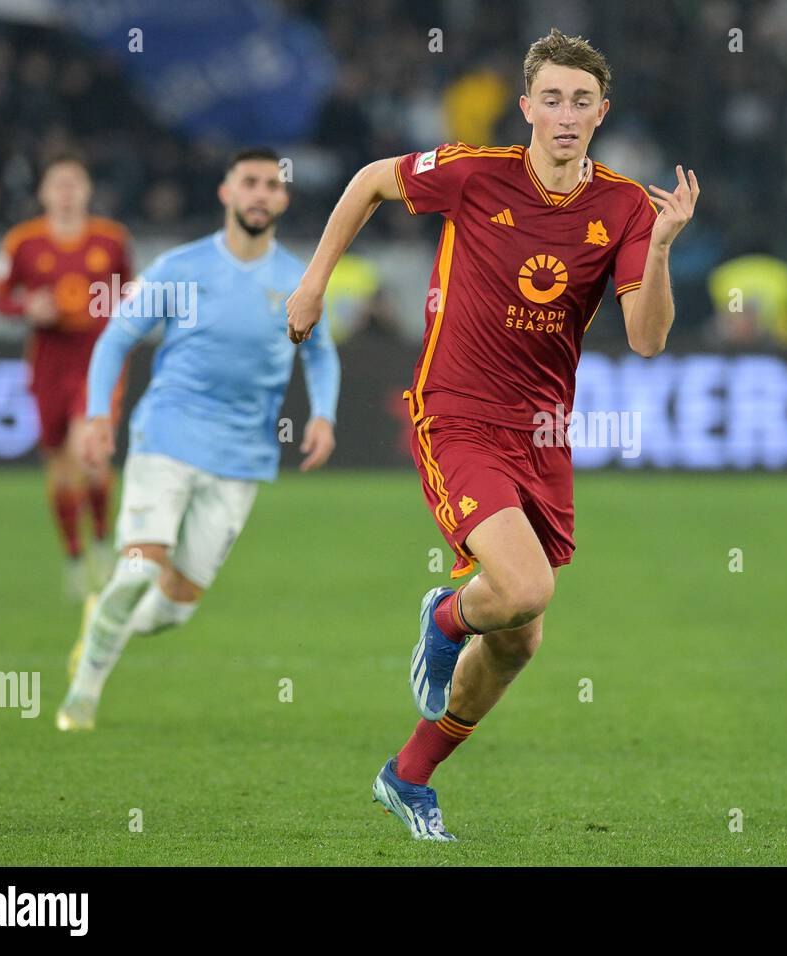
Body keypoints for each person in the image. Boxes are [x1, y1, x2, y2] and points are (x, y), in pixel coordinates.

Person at [286, 28, 699, 840]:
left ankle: (408, 775)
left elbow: (647, 337)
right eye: (552, 98)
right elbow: (371, 181)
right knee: (523, 590)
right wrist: (312, 282)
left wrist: (665, 248)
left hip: (542, 436)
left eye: (582, 101)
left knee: (519, 639)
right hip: (456, 413)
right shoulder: (476, 174)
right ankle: (444, 617)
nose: (566, 113)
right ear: (527, 107)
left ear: (601, 112)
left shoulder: (621, 206)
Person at [55, 148, 341, 731]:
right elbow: (115, 339)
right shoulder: (179, 267)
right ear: (226, 193)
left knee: (173, 612)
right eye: (250, 183)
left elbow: (321, 353)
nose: (261, 193)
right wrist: (95, 416)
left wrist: (323, 416)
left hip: (241, 459)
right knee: (137, 570)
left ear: (283, 199)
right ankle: (81, 698)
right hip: (166, 436)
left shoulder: (296, 279)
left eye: (271, 185)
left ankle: (102, 618)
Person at [0, 154, 131, 600]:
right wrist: (26, 307)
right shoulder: (22, 242)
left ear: (88, 191)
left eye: (75, 183)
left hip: (96, 358)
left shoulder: (110, 240)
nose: (67, 193)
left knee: (88, 452)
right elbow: (1, 298)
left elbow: (129, 292)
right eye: (59, 185)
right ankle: (74, 554)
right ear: (44, 193)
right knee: (61, 465)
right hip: (49, 359)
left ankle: (104, 543)